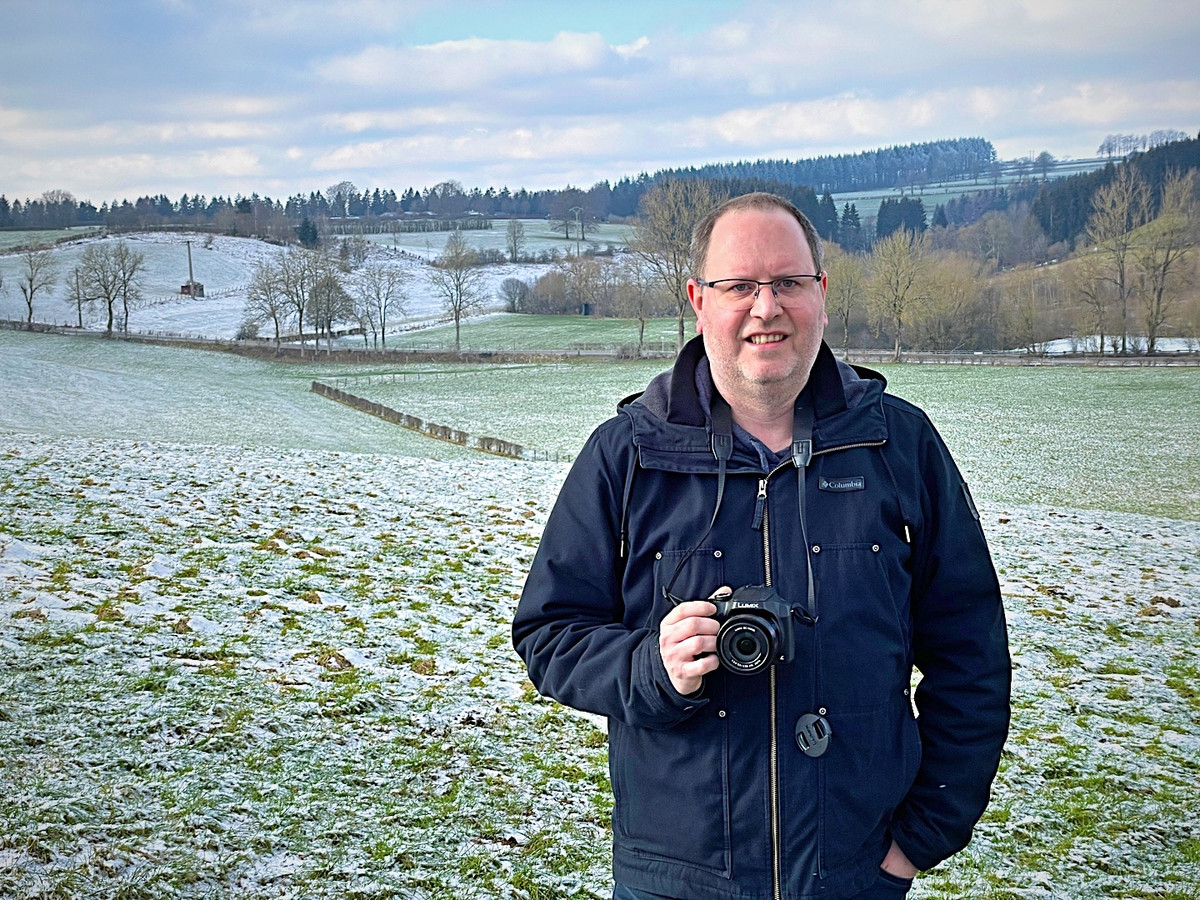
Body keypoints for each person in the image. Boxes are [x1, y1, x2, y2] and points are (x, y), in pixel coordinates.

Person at [512, 192, 1010, 899]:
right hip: (676, 879)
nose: (765, 307)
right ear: (698, 300)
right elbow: (549, 634)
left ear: (822, 295)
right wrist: (652, 665)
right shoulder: (627, 455)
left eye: (787, 283)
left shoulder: (898, 445)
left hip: (855, 872)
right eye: (740, 285)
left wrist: (924, 834)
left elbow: (972, 652)